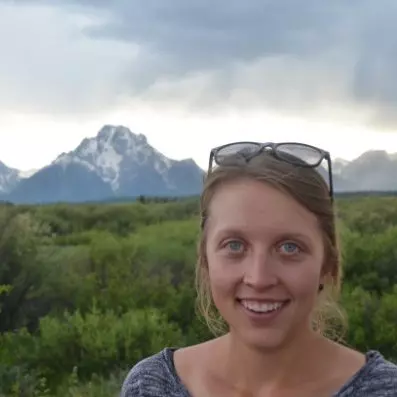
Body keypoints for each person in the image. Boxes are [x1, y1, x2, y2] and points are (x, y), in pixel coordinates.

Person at [120, 141, 397, 396]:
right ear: (205, 260)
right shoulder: (152, 386)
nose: (259, 278)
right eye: (235, 246)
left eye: (289, 247)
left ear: (327, 263)